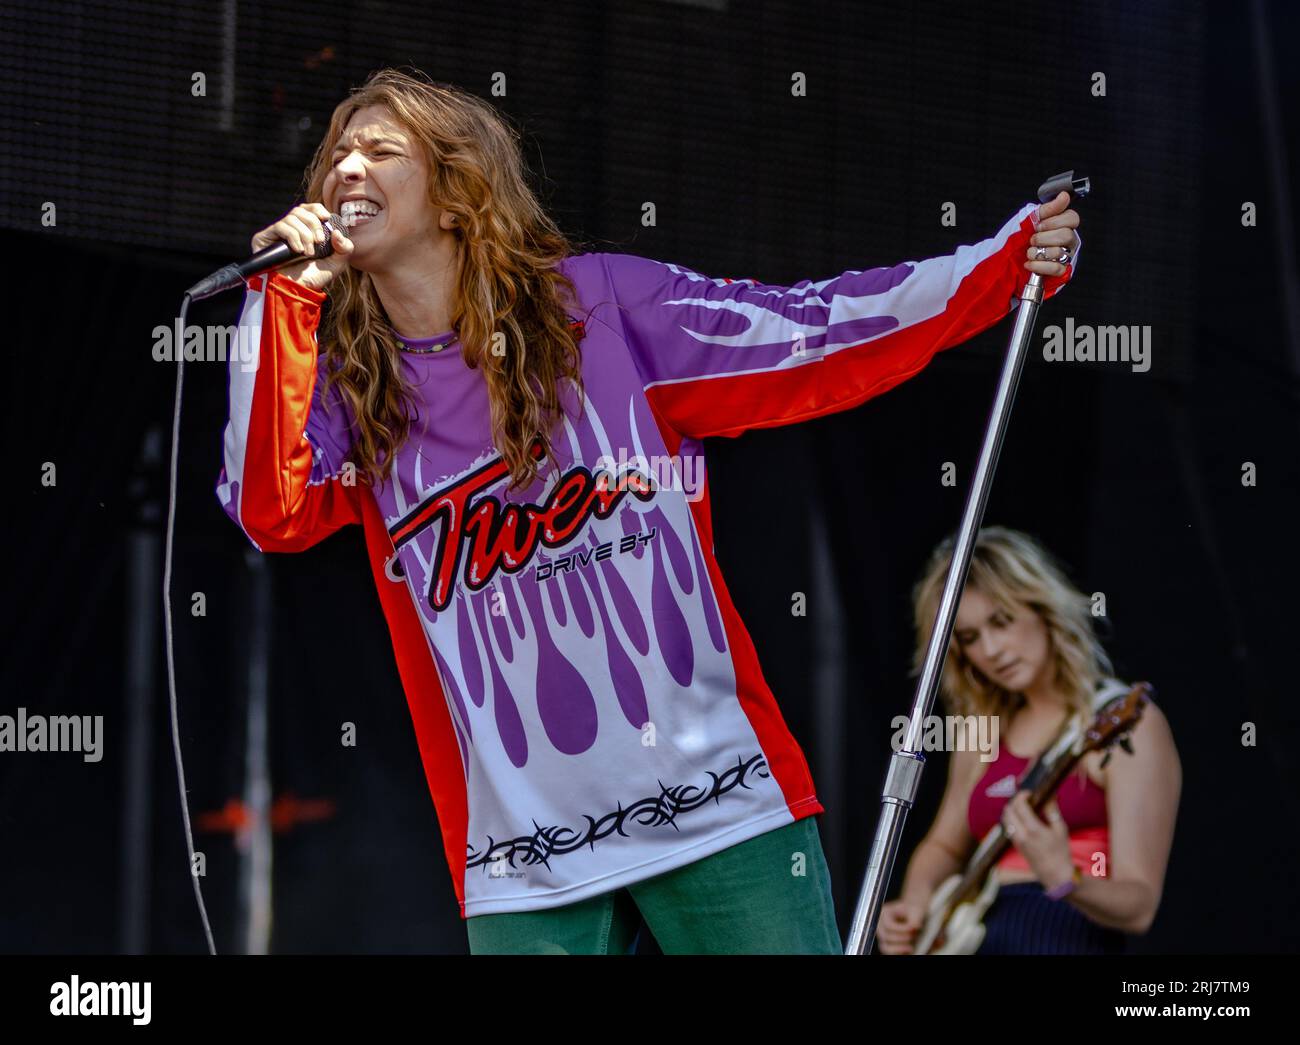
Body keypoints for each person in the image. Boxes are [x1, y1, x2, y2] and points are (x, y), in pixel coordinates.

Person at [215, 68, 1082, 954]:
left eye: (381, 151)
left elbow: (811, 331)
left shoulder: (604, 308)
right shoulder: (361, 399)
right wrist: (280, 298)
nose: (347, 170)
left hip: (720, 806)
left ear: (454, 192)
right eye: (337, 155)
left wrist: (997, 266)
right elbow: (265, 509)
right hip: (525, 860)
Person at [876, 528, 1181, 955]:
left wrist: (1066, 878)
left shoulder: (1125, 724)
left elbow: (1139, 906)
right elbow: (944, 843)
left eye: (1001, 621)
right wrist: (914, 903)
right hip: (978, 937)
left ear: (1042, 608)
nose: (992, 649)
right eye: (970, 638)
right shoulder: (982, 728)